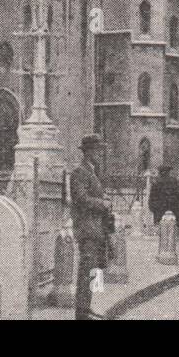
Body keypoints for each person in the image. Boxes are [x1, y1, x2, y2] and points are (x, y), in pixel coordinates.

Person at [69, 134, 111, 320]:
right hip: (87, 228)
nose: (101, 153)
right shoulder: (80, 172)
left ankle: (89, 307)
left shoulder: (93, 172)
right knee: (87, 270)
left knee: (96, 270)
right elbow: (80, 198)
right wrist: (103, 203)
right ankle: (81, 312)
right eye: (97, 150)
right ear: (88, 152)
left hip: (98, 228)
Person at [148, 165, 179, 233]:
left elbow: (152, 198)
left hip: (159, 210)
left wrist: (153, 208)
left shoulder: (156, 183)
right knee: (174, 231)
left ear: (160, 173)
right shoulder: (175, 182)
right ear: (168, 172)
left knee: (160, 231)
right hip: (174, 210)